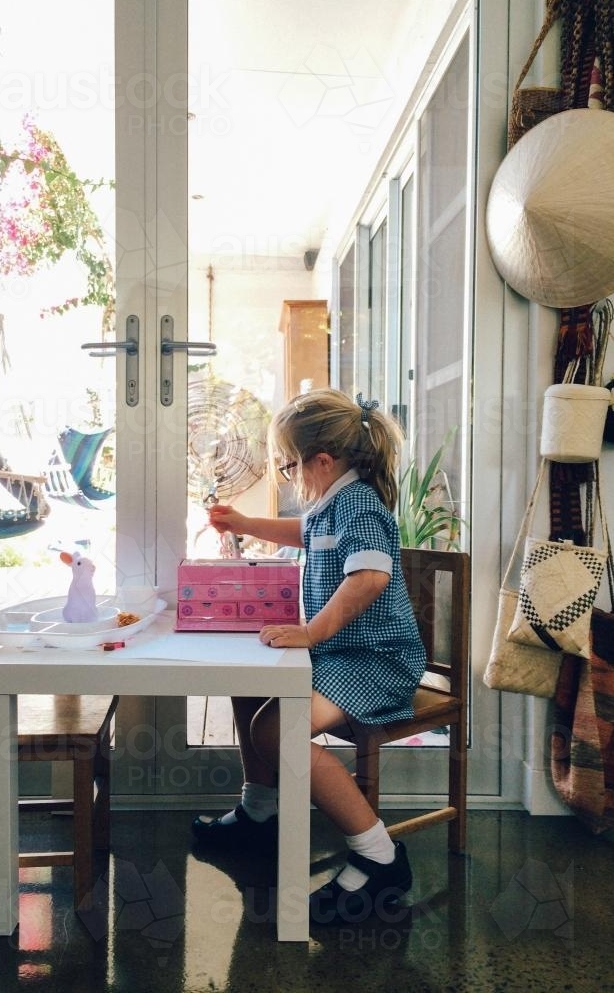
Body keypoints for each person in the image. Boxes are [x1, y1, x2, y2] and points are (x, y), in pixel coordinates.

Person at [191, 388, 426, 925]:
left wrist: (310, 632)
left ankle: (379, 855)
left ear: (323, 460)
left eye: (289, 465)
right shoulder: (332, 503)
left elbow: (369, 576)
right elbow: (305, 532)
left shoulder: (361, 505)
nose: (287, 475)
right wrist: (246, 525)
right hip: (341, 654)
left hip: (373, 661)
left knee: (276, 730)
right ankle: (259, 813)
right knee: (247, 684)